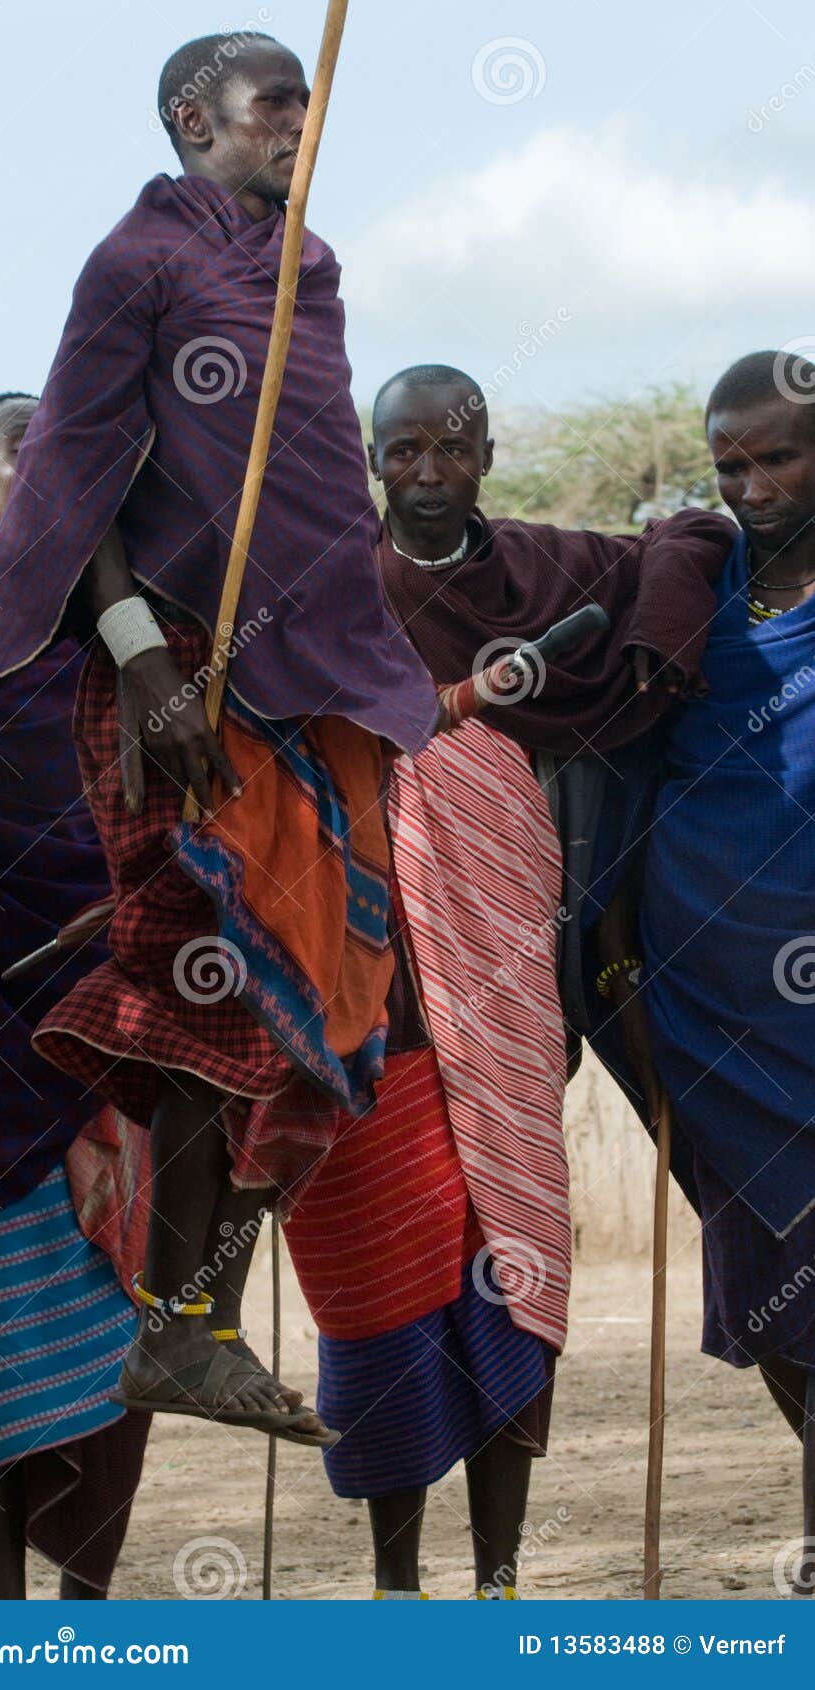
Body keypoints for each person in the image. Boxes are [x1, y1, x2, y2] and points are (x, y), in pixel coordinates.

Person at [0, 36, 438, 1446]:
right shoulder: (137, 264)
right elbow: (76, 468)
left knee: (305, 1016)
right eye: (273, 100)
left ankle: (193, 1327)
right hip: (175, 678)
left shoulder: (303, 261)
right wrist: (142, 657)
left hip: (307, 682)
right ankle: (181, 1329)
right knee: (201, 988)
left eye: (309, 95)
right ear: (194, 118)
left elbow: (294, 490)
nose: (303, 120)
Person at [282, 364, 736, 1598]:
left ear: (485, 454)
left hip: (507, 985)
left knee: (512, 1277)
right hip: (374, 1015)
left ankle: (497, 1580)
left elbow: (691, 536)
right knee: (385, 1298)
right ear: (371, 463)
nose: (425, 476)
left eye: (449, 449)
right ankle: (394, 1586)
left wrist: (641, 657)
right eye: (400, 453)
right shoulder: (321, 584)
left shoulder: (544, 568)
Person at [0, 393, 150, 1600]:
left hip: (106, 1036)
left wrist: (146, 899)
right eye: (27, 458)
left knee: (114, 1347)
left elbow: (182, 822)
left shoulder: (120, 658)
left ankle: (85, 1615)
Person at [594, 351, 815, 1599]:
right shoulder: (688, 587)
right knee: (771, 1285)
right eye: (730, 462)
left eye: (775, 455)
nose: (751, 484)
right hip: (702, 1007)